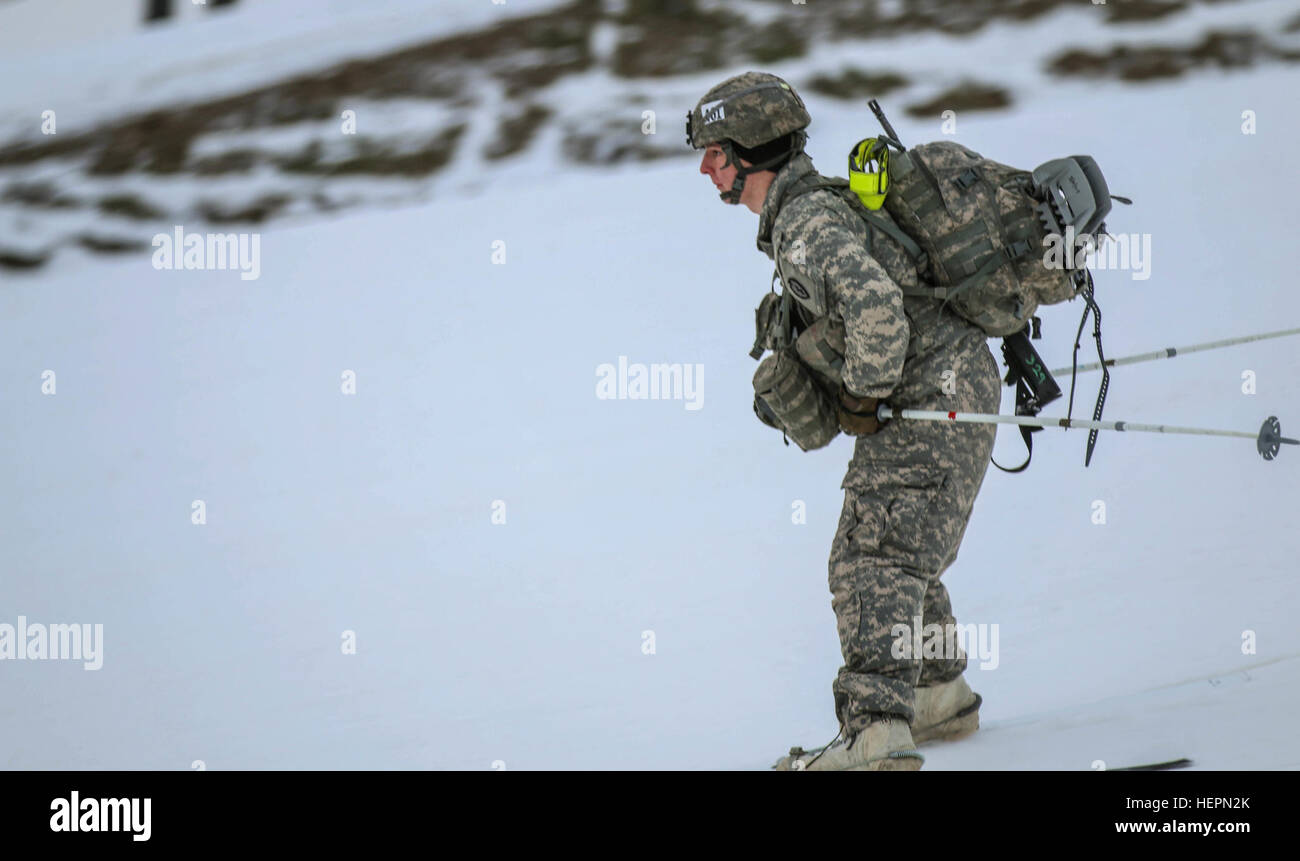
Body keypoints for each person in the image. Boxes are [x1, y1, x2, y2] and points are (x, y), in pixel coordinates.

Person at [688, 71, 1001, 771]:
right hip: (955, 385)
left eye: (714, 150)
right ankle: (935, 691)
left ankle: (875, 734)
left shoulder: (807, 224)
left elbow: (879, 317)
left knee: (869, 556)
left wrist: (860, 398)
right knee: (901, 545)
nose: (704, 166)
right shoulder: (808, 211)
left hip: (935, 395)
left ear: (751, 149)